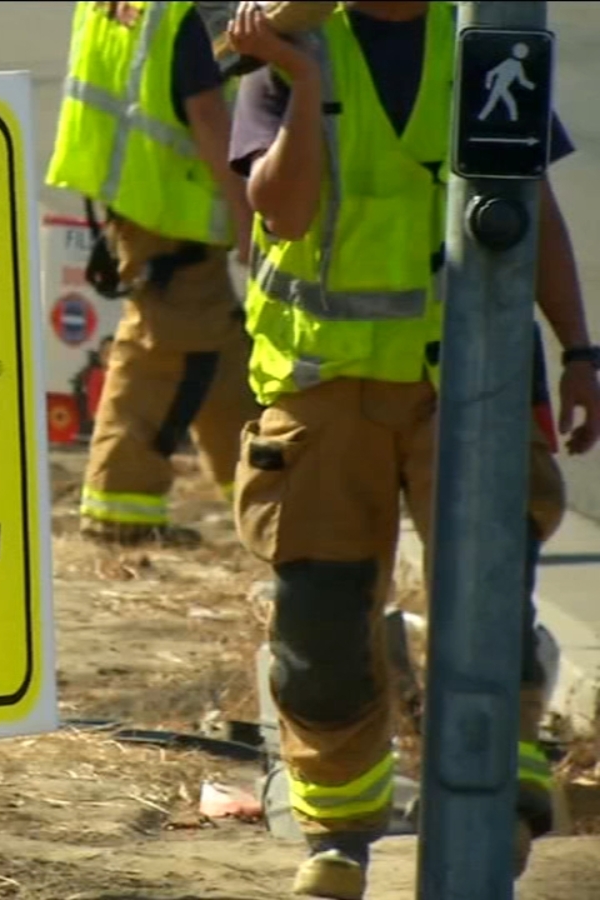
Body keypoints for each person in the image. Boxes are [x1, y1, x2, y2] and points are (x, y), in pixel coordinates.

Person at [226, 2, 600, 897]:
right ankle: (340, 837)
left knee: (488, 595)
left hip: (466, 383)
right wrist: (305, 82)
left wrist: (579, 351)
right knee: (319, 625)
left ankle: (496, 801)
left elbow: (529, 200)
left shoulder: (476, 37)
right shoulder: (292, 44)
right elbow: (280, 209)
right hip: (325, 389)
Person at [46, 0, 261, 547]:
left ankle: (260, 492)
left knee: (214, 346)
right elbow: (209, 117)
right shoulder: (184, 13)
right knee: (165, 350)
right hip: (173, 205)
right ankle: (120, 513)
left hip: (143, 194)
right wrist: (246, 216)